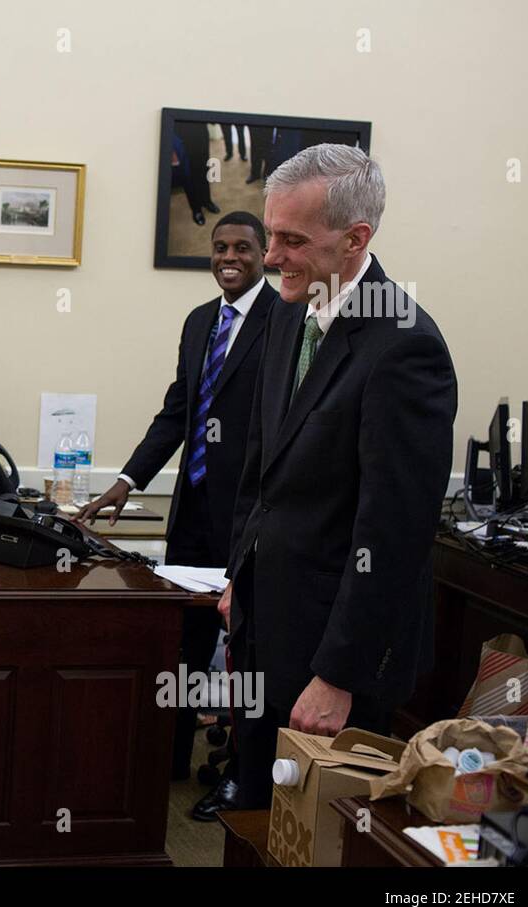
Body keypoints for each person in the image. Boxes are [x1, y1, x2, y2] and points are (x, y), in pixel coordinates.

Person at [219, 144, 457, 810]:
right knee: (256, 812)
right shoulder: (289, 311)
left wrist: (338, 674)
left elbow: (396, 531)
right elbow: (259, 470)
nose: (270, 257)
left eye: (293, 240)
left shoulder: (406, 345)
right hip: (267, 619)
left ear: (357, 238)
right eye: (272, 235)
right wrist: (243, 576)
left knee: (320, 833)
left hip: (337, 650)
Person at [78, 211, 277, 820]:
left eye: (243, 247)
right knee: (184, 640)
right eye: (220, 247)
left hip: (249, 519)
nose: (229, 257)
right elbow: (176, 415)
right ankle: (168, 757)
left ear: (264, 253)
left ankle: (245, 780)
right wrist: (126, 480)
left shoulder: (286, 322)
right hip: (191, 512)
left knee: (247, 649)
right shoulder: (199, 323)